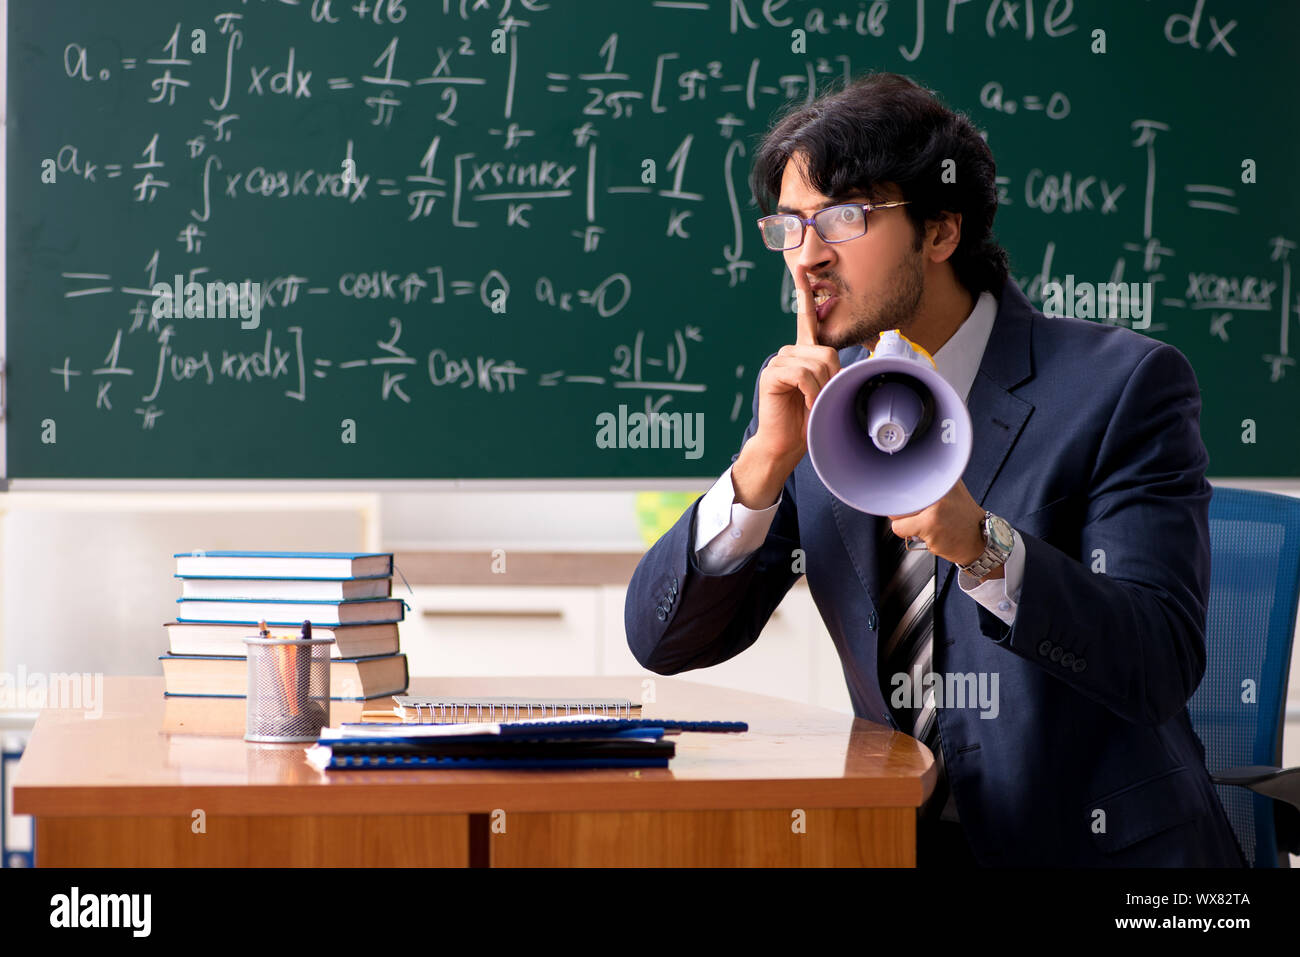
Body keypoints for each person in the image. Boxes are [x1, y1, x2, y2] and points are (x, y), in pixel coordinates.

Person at [624, 72, 1245, 867]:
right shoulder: (815, 405)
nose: (807, 256)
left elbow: (1157, 663)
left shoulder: (1123, 387)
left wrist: (984, 547)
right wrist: (761, 464)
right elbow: (661, 639)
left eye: (843, 219)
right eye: (789, 226)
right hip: (897, 844)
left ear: (942, 228)